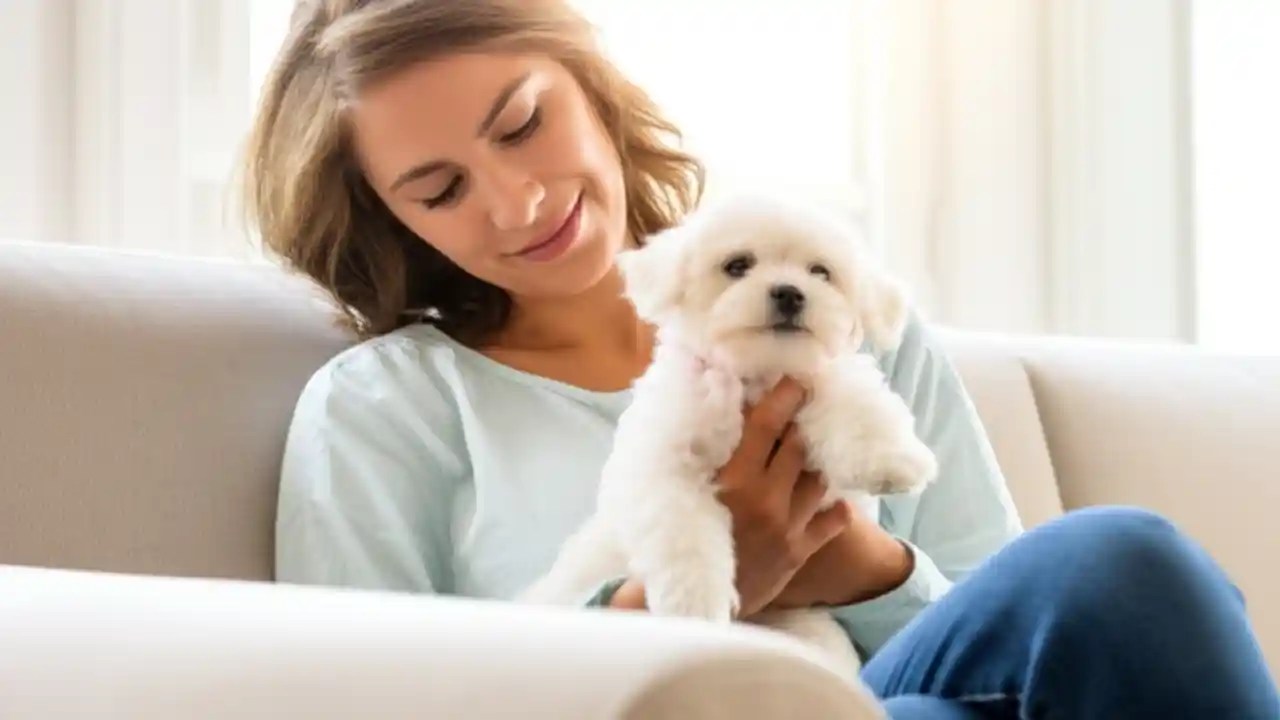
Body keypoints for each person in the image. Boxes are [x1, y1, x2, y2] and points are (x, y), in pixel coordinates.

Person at [243, 2, 1280, 717]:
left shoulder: (841, 325)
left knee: (1114, 573)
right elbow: (363, 704)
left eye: (521, 124)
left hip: (892, 703)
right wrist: (694, 588)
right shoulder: (384, 409)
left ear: (588, 85)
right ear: (387, 220)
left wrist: (859, 567)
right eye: (438, 190)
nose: (515, 202)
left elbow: (1017, 625)